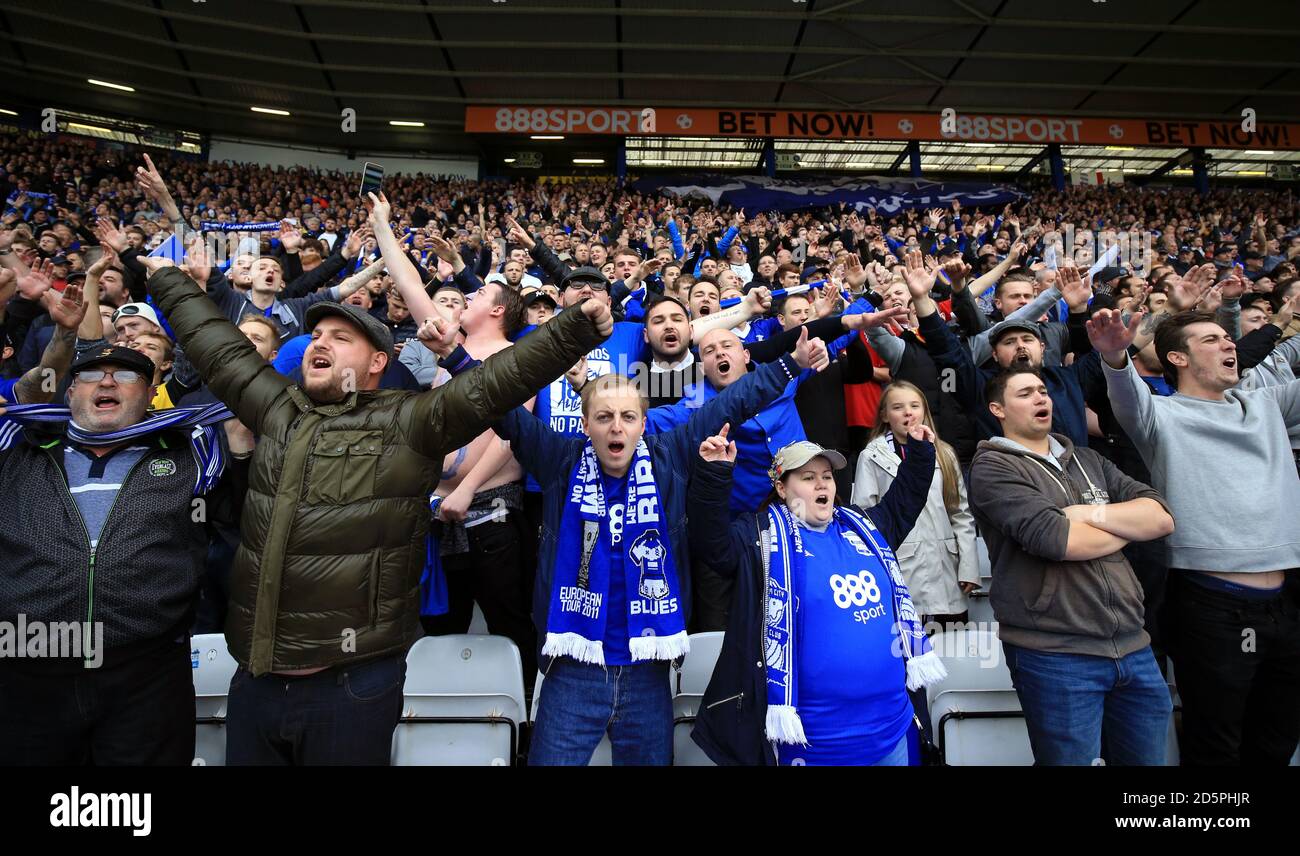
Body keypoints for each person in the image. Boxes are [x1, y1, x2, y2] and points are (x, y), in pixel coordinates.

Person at [138, 191, 613, 766]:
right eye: (316, 336)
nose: (320, 343)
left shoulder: (408, 422)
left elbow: (496, 384)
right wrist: (168, 282)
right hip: (256, 679)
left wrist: (574, 332)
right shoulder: (278, 409)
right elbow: (219, 350)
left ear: (377, 363)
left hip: (352, 685)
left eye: (342, 339)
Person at [489, 329, 828, 765]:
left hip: (646, 672)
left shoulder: (671, 455)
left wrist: (790, 363)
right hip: (571, 670)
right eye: (605, 417)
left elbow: (733, 402)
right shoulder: (560, 460)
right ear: (586, 424)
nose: (616, 427)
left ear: (643, 425)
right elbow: (501, 409)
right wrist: (454, 356)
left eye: (628, 417)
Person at [0, 343, 251, 765]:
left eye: (128, 375)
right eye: (93, 375)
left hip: (147, 675)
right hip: (28, 669)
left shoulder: (192, 454)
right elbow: (25, 393)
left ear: (152, 393)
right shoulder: (15, 452)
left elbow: (245, 522)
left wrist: (241, 452)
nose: (109, 382)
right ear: (69, 392)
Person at [1091, 307, 1300, 766]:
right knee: (1216, 744)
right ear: (1178, 359)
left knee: (1277, 741)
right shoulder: (1158, 415)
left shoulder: (1265, 402)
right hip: (1211, 605)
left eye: (1228, 337)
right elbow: (1126, 396)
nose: (1229, 344)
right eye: (1211, 340)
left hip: (1288, 601)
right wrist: (1113, 357)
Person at [689, 428, 944, 766]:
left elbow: (905, 501)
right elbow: (711, 543)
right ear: (781, 488)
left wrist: (922, 452)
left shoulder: (865, 527)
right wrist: (714, 473)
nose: (822, 484)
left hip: (891, 733)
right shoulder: (757, 539)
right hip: (812, 746)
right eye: (808, 478)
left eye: (827, 476)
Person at [968, 366, 1175, 765]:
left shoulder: (1087, 458)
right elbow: (1058, 540)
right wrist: (1126, 523)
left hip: (1135, 645)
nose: (1040, 399)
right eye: (1025, 393)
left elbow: (1161, 518)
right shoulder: (994, 466)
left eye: (1042, 391)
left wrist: (1088, 514)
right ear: (998, 409)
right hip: (1056, 654)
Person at [853, 381, 979, 624]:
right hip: (903, 572)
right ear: (885, 416)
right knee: (913, 651)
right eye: (898, 407)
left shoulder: (945, 453)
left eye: (914, 405)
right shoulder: (871, 456)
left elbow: (960, 513)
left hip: (947, 574)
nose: (908, 412)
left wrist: (969, 567)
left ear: (924, 411)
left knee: (953, 650)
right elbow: (865, 517)